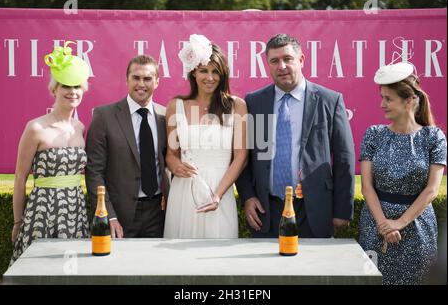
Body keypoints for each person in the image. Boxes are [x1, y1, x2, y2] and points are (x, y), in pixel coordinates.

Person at [235, 34, 355, 238]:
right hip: (266, 210)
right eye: (274, 61)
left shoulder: (329, 100)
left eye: (287, 59)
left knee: (313, 269)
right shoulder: (254, 102)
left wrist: (342, 210)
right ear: (268, 65)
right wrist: (248, 196)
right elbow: (243, 155)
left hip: (314, 210)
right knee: (268, 270)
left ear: (301, 60)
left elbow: (344, 157)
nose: (281, 66)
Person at [359, 62, 446, 285]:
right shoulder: (374, 135)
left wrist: (400, 222)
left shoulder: (433, 137)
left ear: (408, 100)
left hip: (418, 229)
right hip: (375, 226)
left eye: (388, 99)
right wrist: (383, 224)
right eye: (382, 97)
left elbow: (432, 190)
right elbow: (367, 186)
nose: (382, 104)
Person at [9, 42, 90, 266]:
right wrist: (18, 222)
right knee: (38, 270)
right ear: (54, 89)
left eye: (76, 87)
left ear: (83, 90)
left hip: (75, 209)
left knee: (73, 271)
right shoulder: (35, 128)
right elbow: (19, 178)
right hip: (42, 211)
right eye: (65, 86)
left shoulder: (81, 128)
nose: (72, 92)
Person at [163, 34, 248, 238]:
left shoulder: (237, 105)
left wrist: (218, 195)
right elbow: (171, 154)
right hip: (183, 192)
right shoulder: (176, 106)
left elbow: (241, 157)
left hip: (220, 190)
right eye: (203, 71)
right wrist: (176, 166)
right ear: (193, 72)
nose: (210, 77)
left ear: (223, 74)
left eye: (215, 72)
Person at [85, 55, 169, 238]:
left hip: (158, 214)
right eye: (136, 78)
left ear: (157, 82)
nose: (141, 84)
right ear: (126, 80)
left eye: (147, 78)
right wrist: (109, 215)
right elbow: (94, 172)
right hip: (120, 215)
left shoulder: (166, 116)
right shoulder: (104, 116)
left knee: (157, 266)